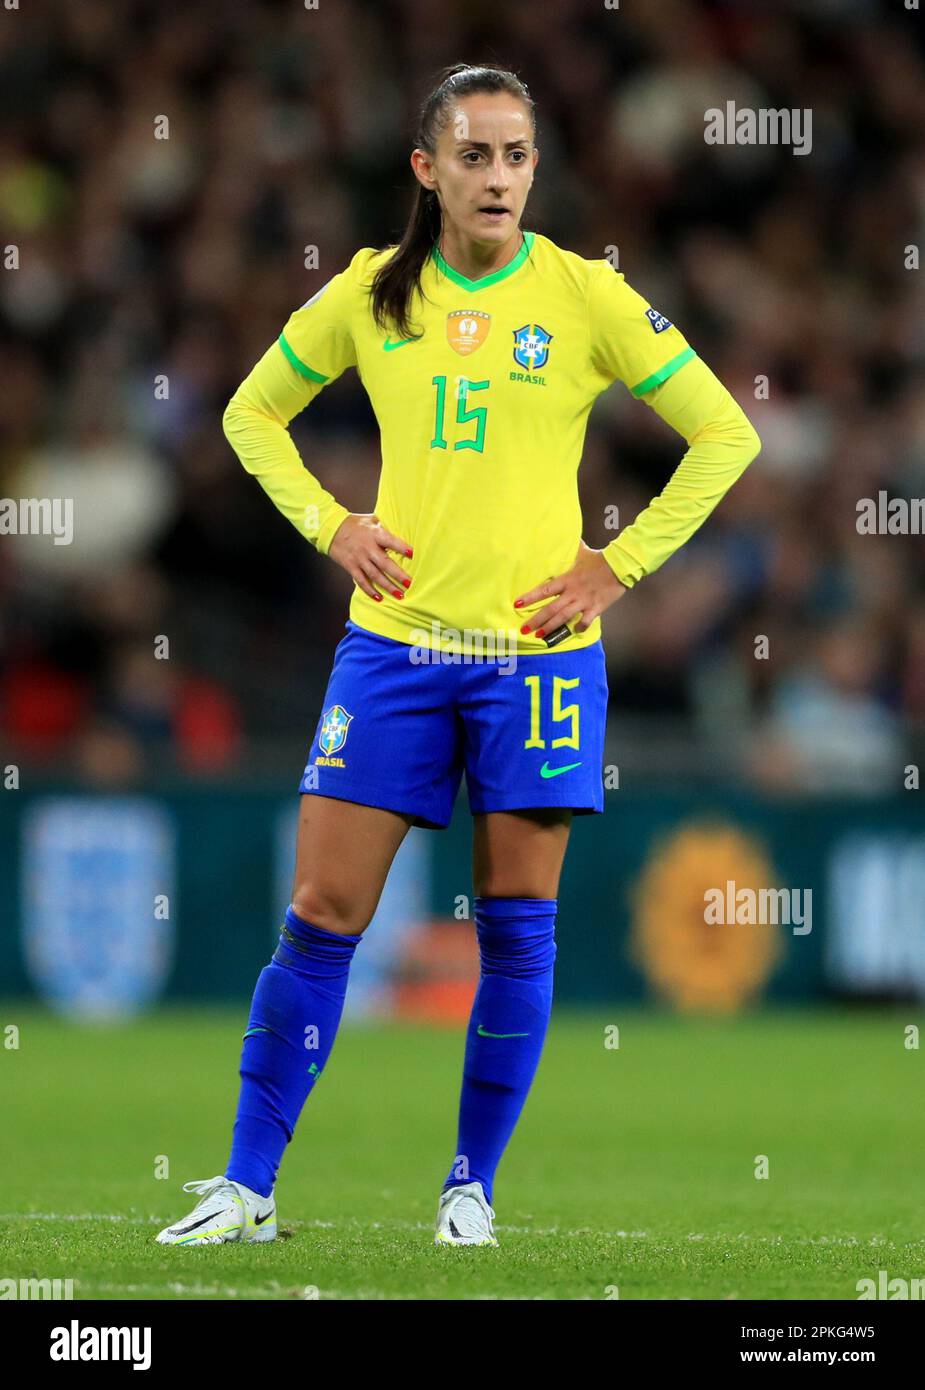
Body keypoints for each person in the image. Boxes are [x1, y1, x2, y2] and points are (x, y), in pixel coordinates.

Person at [156, 62, 760, 1249]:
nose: (498, 177)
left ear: (536, 169)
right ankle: (245, 1185)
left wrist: (615, 566)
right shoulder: (371, 297)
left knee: (515, 924)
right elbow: (246, 414)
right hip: (394, 649)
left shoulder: (587, 296)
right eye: (474, 155)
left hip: (537, 660)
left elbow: (724, 431)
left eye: (517, 155)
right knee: (324, 910)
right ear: (426, 170)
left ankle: (468, 1189)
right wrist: (337, 526)